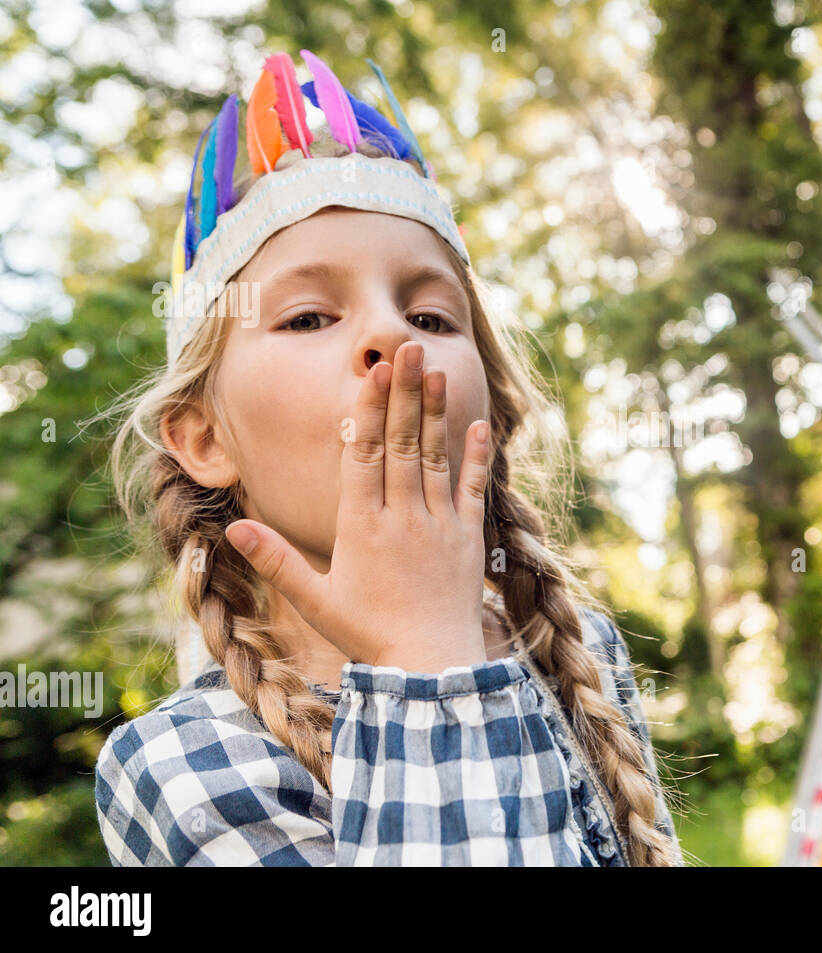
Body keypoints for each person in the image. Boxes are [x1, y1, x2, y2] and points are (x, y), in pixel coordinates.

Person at [91, 49, 682, 866]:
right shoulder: (183, 767)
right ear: (206, 438)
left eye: (434, 318)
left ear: (494, 418)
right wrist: (425, 661)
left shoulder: (580, 656)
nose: (392, 336)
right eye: (306, 318)